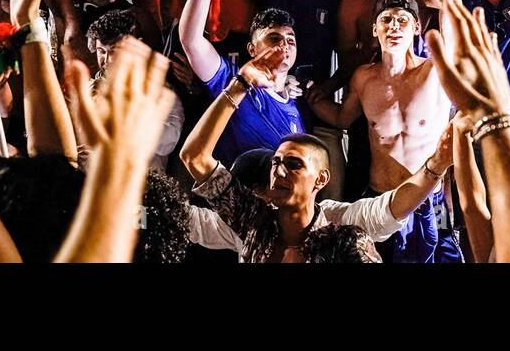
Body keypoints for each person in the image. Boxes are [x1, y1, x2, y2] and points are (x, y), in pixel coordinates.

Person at [179, 45, 458, 263]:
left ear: (321, 179)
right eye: (276, 162)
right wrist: (240, 84)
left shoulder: (342, 230)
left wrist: (437, 164)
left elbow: (394, 206)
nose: (279, 171)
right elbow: (194, 157)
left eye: (293, 164)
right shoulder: (252, 218)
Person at [308, 0, 457, 262]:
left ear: (416, 27)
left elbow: (456, 34)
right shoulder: (364, 78)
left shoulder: (434, 73)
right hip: (381, 199)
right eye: (386, 19)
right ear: (374, 29)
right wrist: (311, 98)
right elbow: (342, 118)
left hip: (427, 200)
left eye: (402, 20)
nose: (393, 27)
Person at [177, 0, 303, 164]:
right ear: (252, 49)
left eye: (290, 39)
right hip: (235, 196)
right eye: (274, 38)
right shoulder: (232, 81)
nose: (284, 44)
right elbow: (192, 41)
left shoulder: (295, 105)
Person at [87, 9, 184, 172]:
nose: (107, 60)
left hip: (144, 188)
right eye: (101, 52)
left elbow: (168, 141)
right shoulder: (91, 89)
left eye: (114, 51)